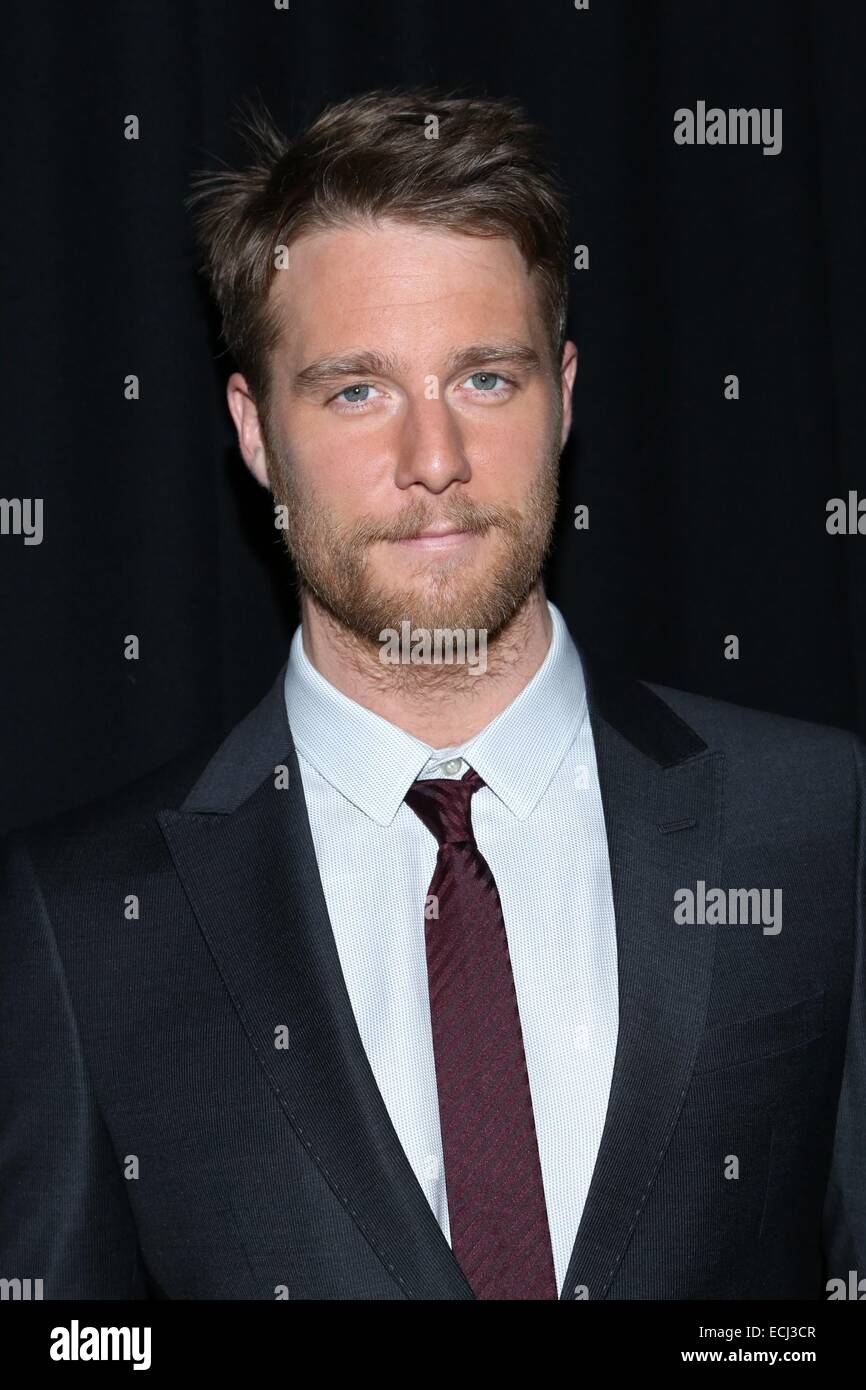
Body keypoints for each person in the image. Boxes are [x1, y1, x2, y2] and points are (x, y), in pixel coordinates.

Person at [1, 87, 863, 1301]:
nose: (434, 459)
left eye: (485, 380)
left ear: (562, 393)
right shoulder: (82, 922)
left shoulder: (818, 822)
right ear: (254, 431)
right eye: (355, 390)